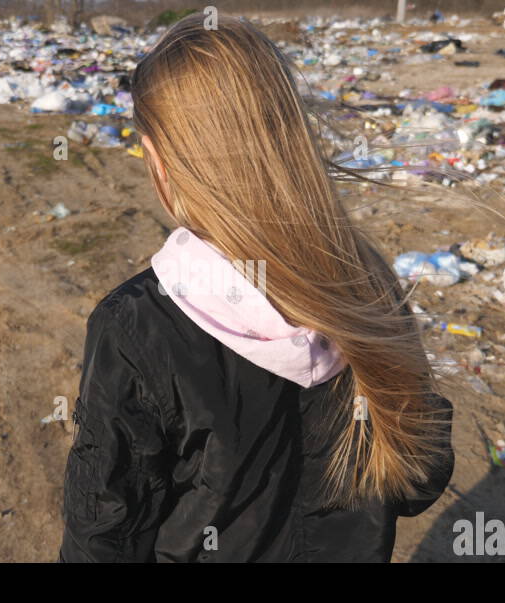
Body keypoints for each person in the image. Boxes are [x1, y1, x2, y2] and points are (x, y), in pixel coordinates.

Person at [59, 14, 454, 563]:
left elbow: (104, 531)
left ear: (158, 161)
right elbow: (419, 479)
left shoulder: (136, 325)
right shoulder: (366, 285)